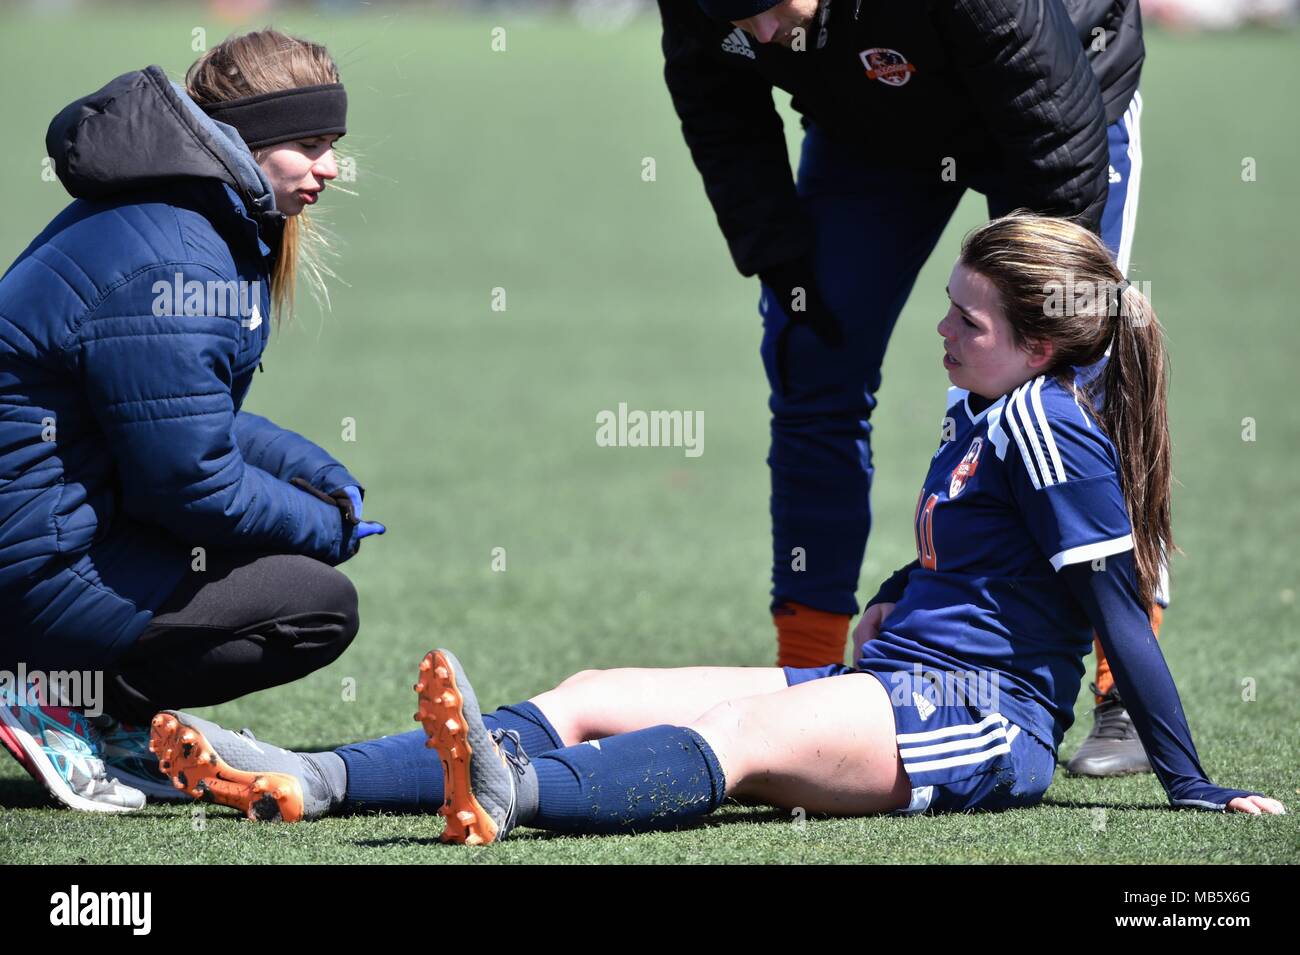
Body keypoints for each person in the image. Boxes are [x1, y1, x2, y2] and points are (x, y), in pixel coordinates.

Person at [144, 215, 1284, 839]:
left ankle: (509, 795)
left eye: (966, 318)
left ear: (1039, 346)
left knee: (737, 737)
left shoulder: (1044, 419)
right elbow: (989, 547)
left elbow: (1116, 608)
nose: (939, 328)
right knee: (591, 688)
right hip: (899, 680)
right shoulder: (993, 408)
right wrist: (901, 581)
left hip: (978, 720)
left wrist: (1186, 782)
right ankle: (311, 776)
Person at [657, 0, 1160, 776]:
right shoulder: (722, 9)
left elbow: (1055, 127)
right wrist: (777, 253)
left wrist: (1036, 328)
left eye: (766, 9)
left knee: (1070, 383)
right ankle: (810, 665)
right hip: (877, 122)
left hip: (1057, 96)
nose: (757, 35)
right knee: (812, 359)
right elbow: (713, 94)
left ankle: (1121, 680)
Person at [0, 29, 383, 813]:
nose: (331, 168)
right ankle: (45, 695)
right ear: (245, 140)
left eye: (334, 143)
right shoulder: (176, 257)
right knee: (315, 606)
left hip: (44, 535)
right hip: (30, 565)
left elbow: (176, 419)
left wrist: (316, 473)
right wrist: (324, 524)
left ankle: (68, 694)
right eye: (309, 144)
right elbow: (188, 483)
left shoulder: (175, 213)